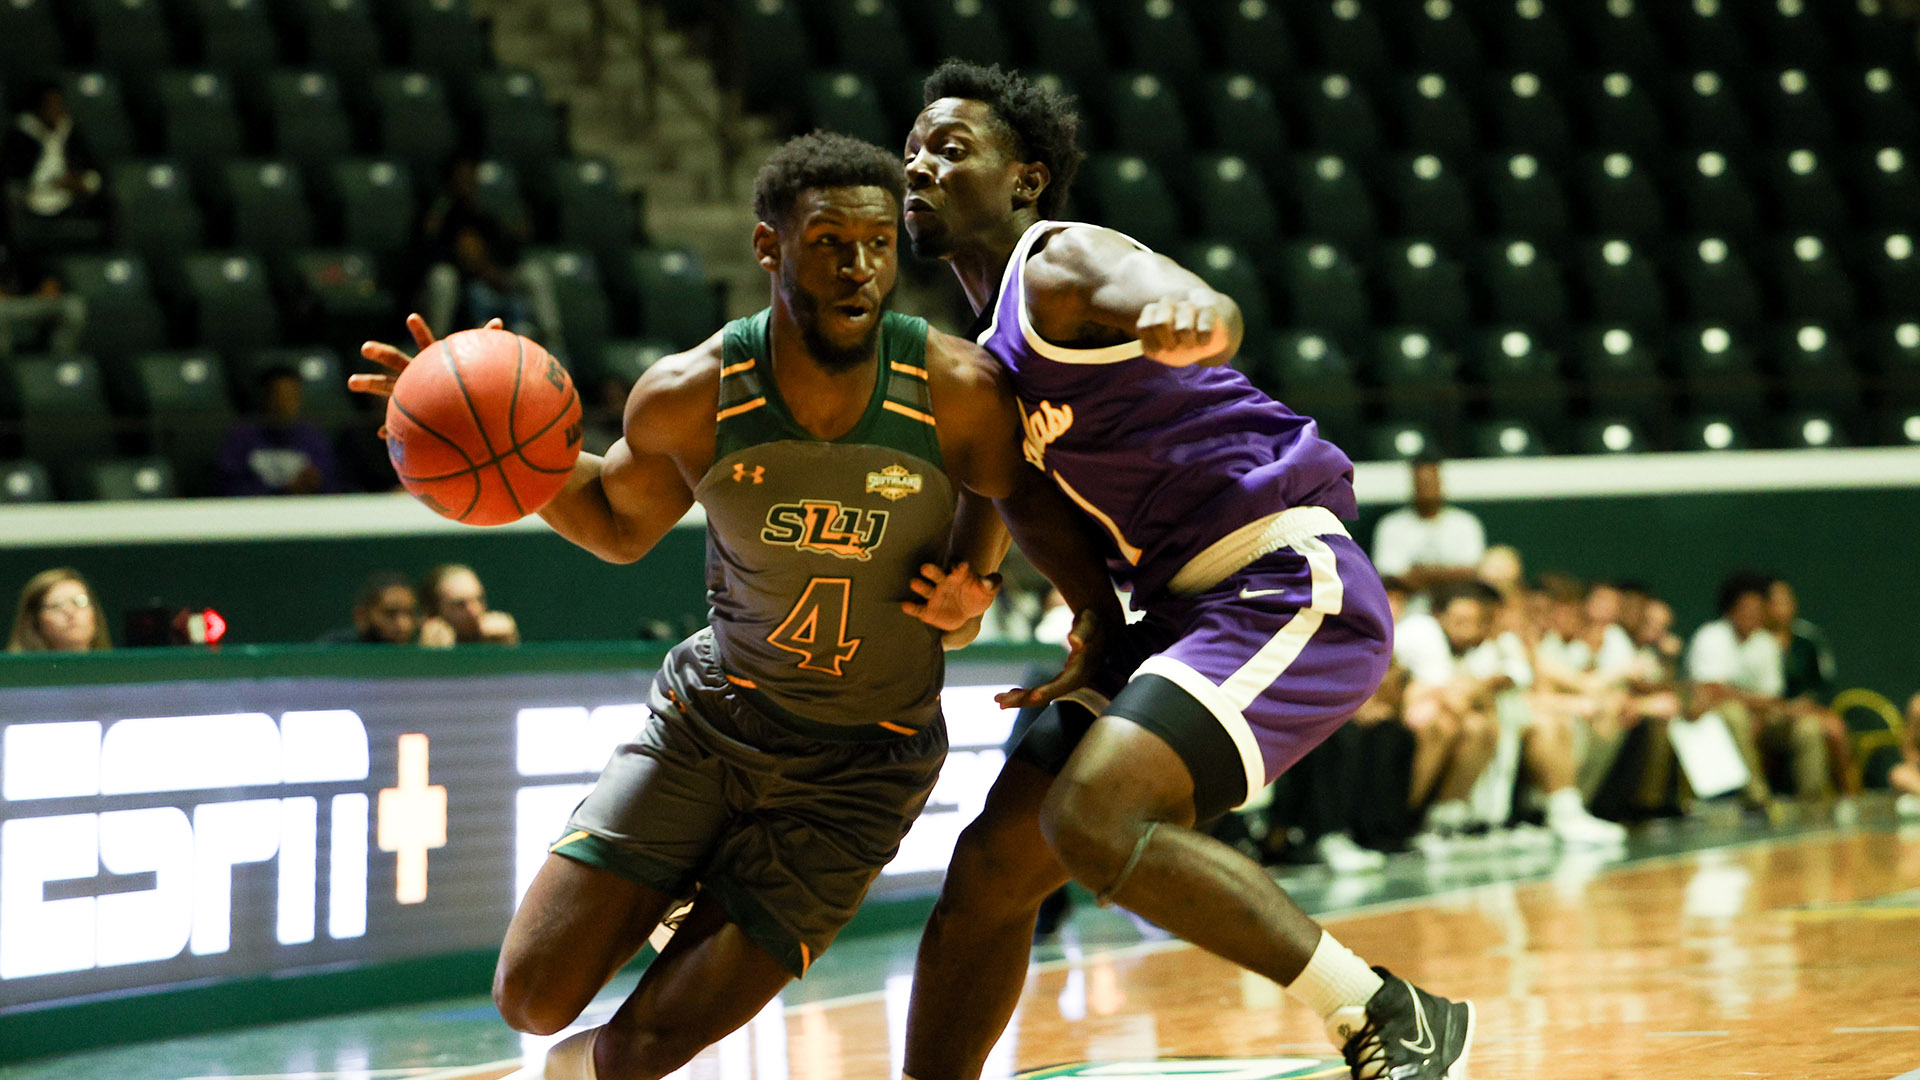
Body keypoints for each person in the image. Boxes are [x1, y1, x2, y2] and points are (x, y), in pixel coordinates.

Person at [353, 131, 1115, 1080]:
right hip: (710, 726)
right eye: (830, 242)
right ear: (769, 248)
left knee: (632, 1057)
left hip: (861, 771)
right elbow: (616, 524)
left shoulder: (957, 389)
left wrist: (974, 585)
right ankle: (696, 874)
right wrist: (482, 428)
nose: (860, 268)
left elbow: (1002, 497)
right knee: (530, 995)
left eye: (878, 244)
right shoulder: (691, 393)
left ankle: (610, 1022)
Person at [898, 60, 1473, 1080]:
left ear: (1026, 180)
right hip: (1172, 613)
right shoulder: (985, 354)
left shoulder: (1059, 259)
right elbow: (1003, 483)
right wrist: (969, 584)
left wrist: (1190, 310)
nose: (920, 165)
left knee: (1094, 818)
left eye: (951, 148)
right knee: (992, 870)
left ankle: (1385, 1009)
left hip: (1283, 579)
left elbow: (1158, 285)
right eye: (911, 150)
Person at [1686, 571, 1830, 810]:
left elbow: (1772, 698)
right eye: (1745, 608)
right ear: (1730, 610)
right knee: (1735, 713)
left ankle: (1813, 804)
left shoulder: (1766, 644)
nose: (1751, 614)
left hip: (1761, 718)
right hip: (1712, 722)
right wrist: (1752, 704)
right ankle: (1757, 798)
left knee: (1809, 726)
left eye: (1757, 608)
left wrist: (1758, 708)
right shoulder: (1711, 636)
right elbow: (1712, 692)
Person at [418, 153, 562, 351]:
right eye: (462, 178)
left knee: (535, 273)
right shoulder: (440, 216)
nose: (468, 183)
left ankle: (553, 342)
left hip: (495, 277)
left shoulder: (485, 213)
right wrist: (476, 269)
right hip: (461, 282)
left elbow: (506, 252)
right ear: (451, 182)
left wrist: (495, 268)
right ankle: (433, 347)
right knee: (443, 278)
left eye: (471, 178)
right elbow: (431, 256)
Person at [0, 82, 106, 248]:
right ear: (38, 108)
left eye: (58, 105)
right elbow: (11, 175)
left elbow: (93, 171)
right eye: (49, 105)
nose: (54, 111)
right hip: (29, 205)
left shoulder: (70, 131)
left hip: (68, 205)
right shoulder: (21, 133)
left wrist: (78, 181)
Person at [215, 365, 347, 496]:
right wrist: (282, 491)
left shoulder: (312, 438)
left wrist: (318, 484)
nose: (285, 404)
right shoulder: (241, 437)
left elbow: (333, 484)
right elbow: (228, 487)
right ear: (265, 397)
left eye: (291, 396)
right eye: (279, 396)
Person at [1369, 456, 1487, 598]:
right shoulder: (1391, 526)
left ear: (1440, 483)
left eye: (1431, 482)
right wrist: (1447, 574)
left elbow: (1471, 574)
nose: (1427, 488)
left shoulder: (1465, 523)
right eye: (1422, 483)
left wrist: (1422, 573)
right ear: (1413, 484)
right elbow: (1391, 578)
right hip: (1407, 608)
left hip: (1456, 607)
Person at [7, 567, 111, 653]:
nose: (70, 612)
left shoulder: (115, 671)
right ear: (35, 622)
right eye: (56, 606)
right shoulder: (15, 674)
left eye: (79, 602)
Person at [417, 563, 520, 647]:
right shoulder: (421, 646)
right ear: (433, 612)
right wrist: (430, 655)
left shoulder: (499, 638)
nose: (474, 611)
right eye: (460, 604)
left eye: (479, 600)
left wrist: (509, 647)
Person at [317, 572, 422, 645]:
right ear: (361, 616)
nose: (404, 625)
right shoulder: (333, 652)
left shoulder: (425, 648)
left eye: (410, 614)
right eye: (390, 614)